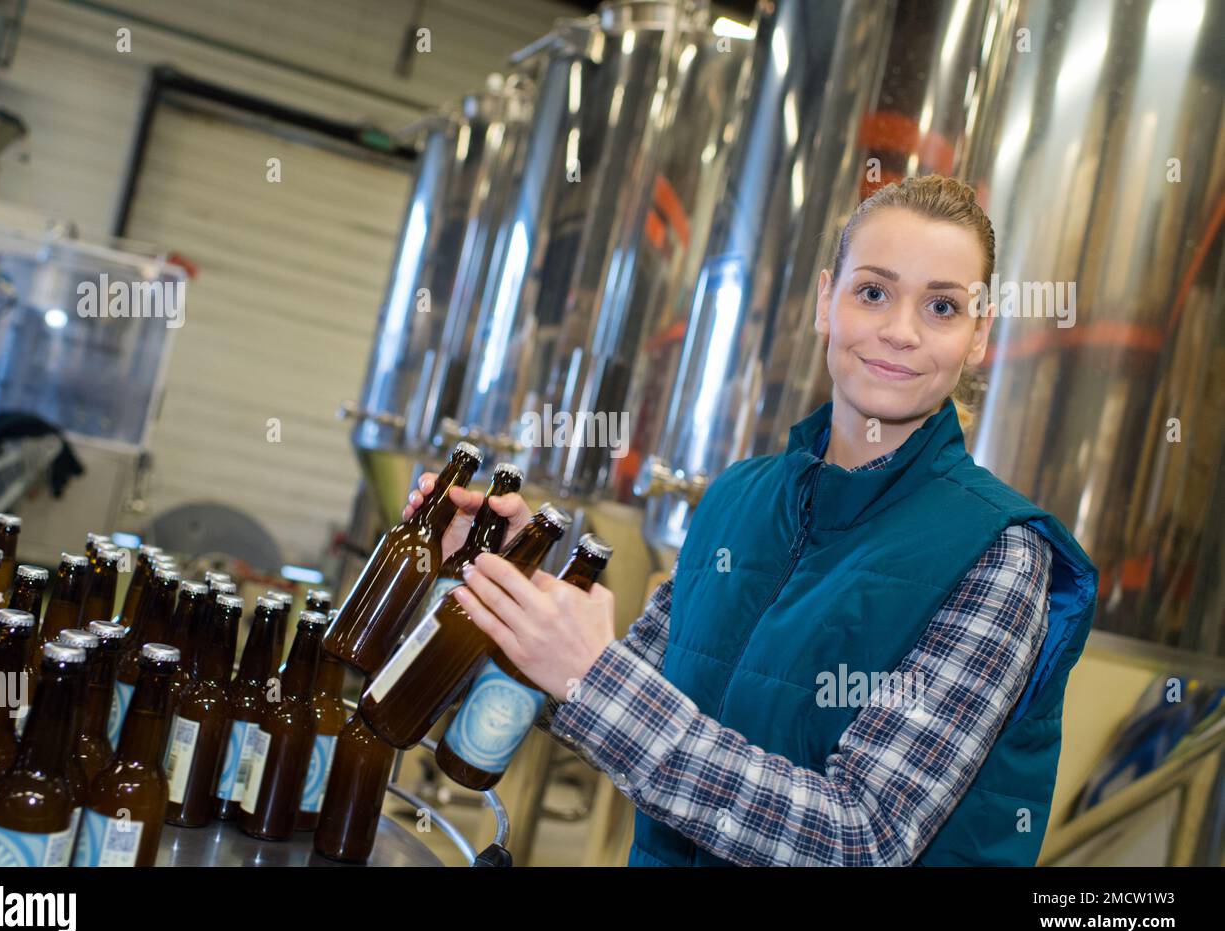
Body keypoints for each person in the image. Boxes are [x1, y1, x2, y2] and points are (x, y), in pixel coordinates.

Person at [404, 175, 1099, 866]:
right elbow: (611, 706)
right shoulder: (738, 498)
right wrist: (510, 586)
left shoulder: (998, 553)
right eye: (874, 292)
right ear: (827, 301)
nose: (900, 331)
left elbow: (861, 840)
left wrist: (593, 676)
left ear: (979, 337)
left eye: (942, 307)